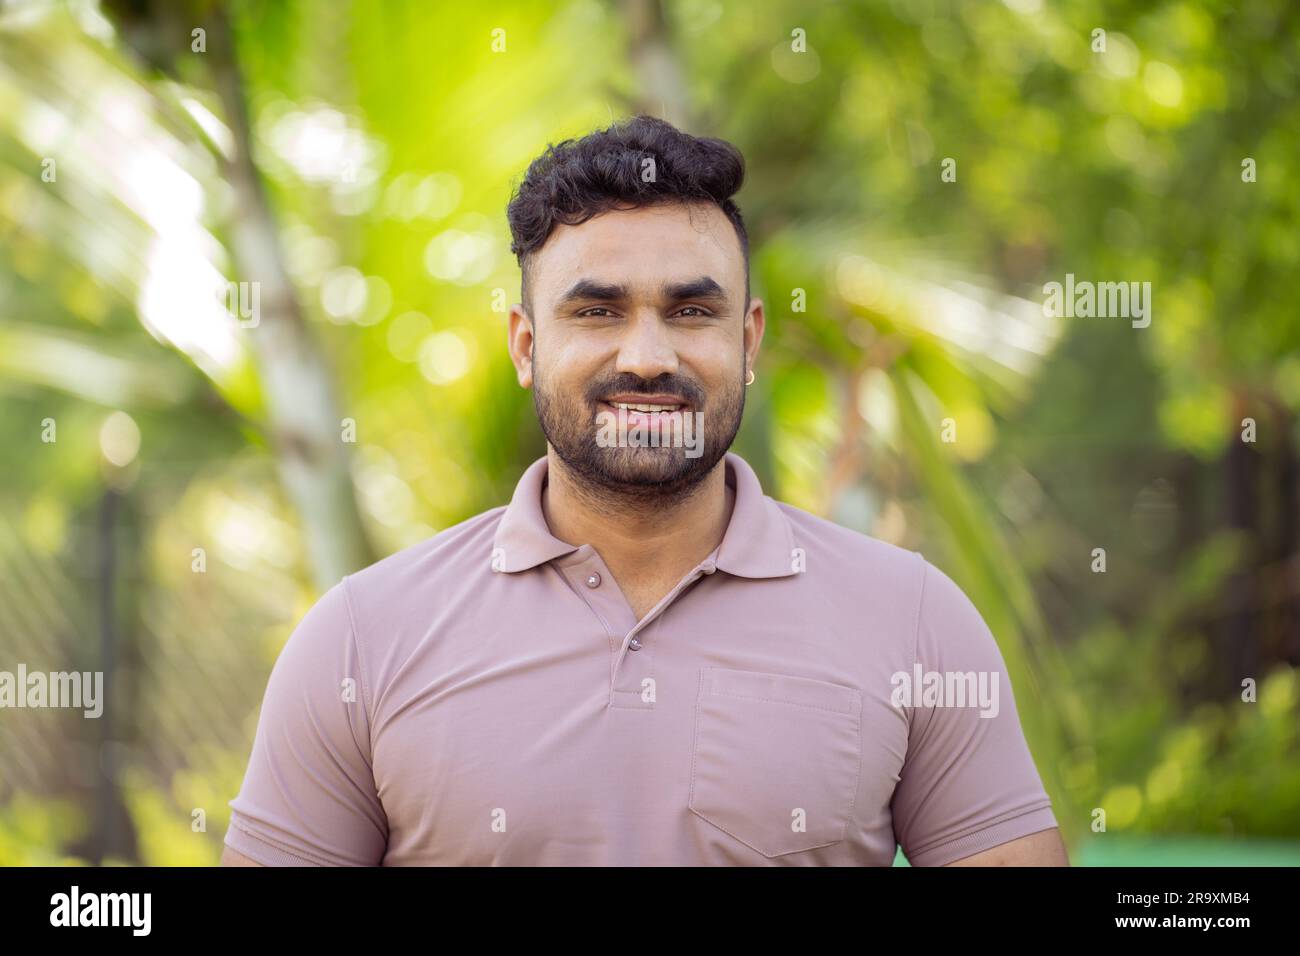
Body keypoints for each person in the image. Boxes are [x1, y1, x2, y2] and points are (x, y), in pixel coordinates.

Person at [221, 115, 1068, 866]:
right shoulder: (361, 640)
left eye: (692, 313)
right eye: (596, 313)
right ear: (525, 345)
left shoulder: (913, 619)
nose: (647, 357)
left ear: (749, 339)